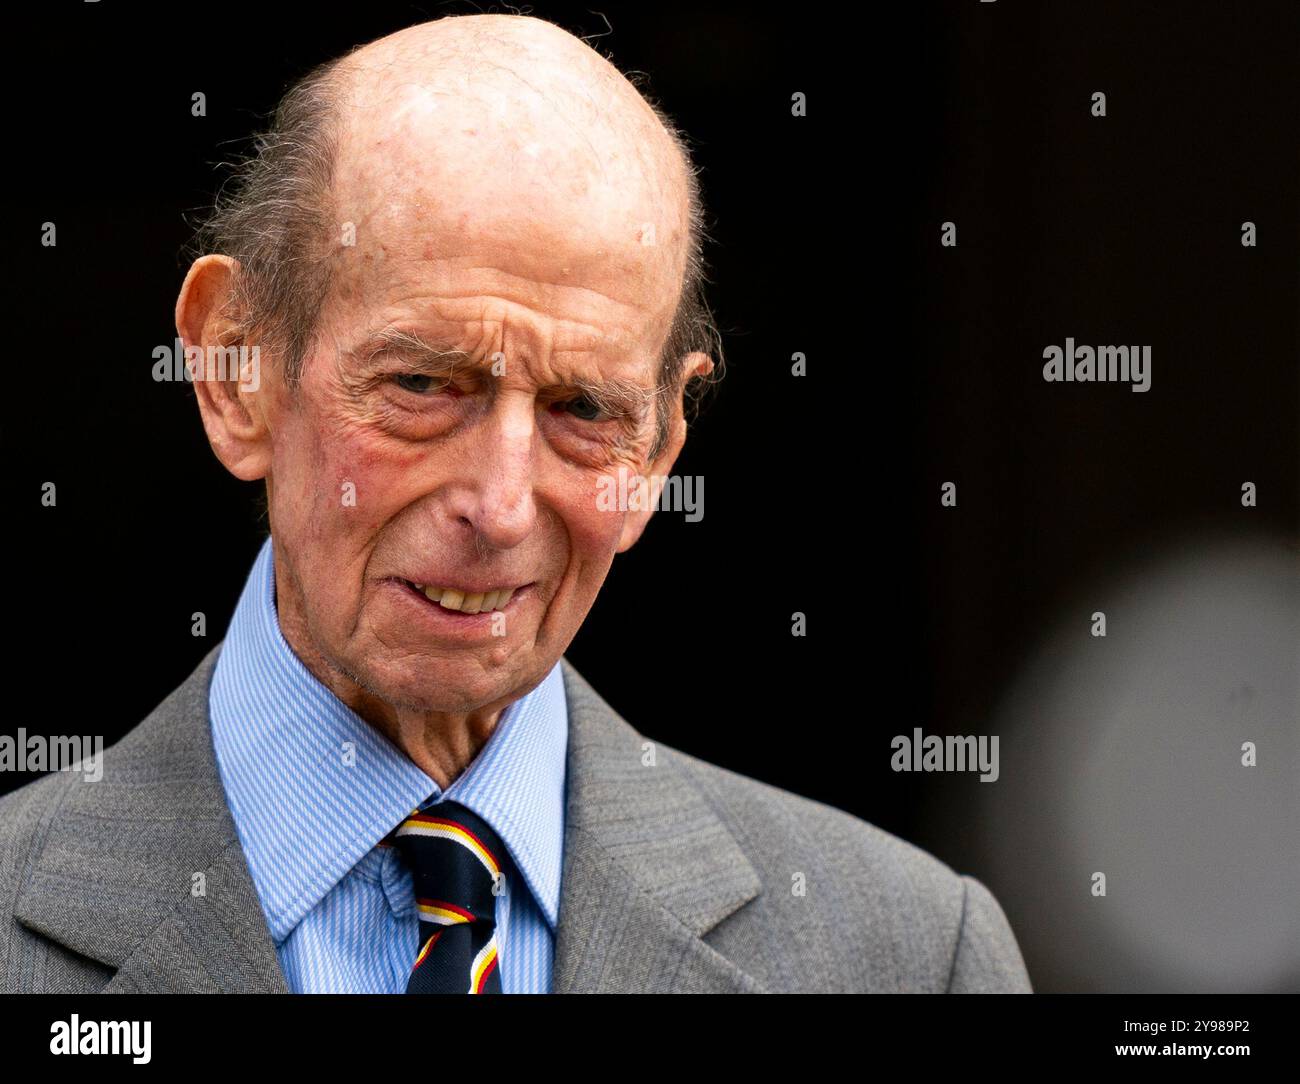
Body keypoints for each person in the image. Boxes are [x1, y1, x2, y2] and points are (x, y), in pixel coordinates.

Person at [0, 13, 1030, 993]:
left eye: (584, 409)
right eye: (421, 386)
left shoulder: (903, 951)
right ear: (236, 370)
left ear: (660, 450)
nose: (498, 506)